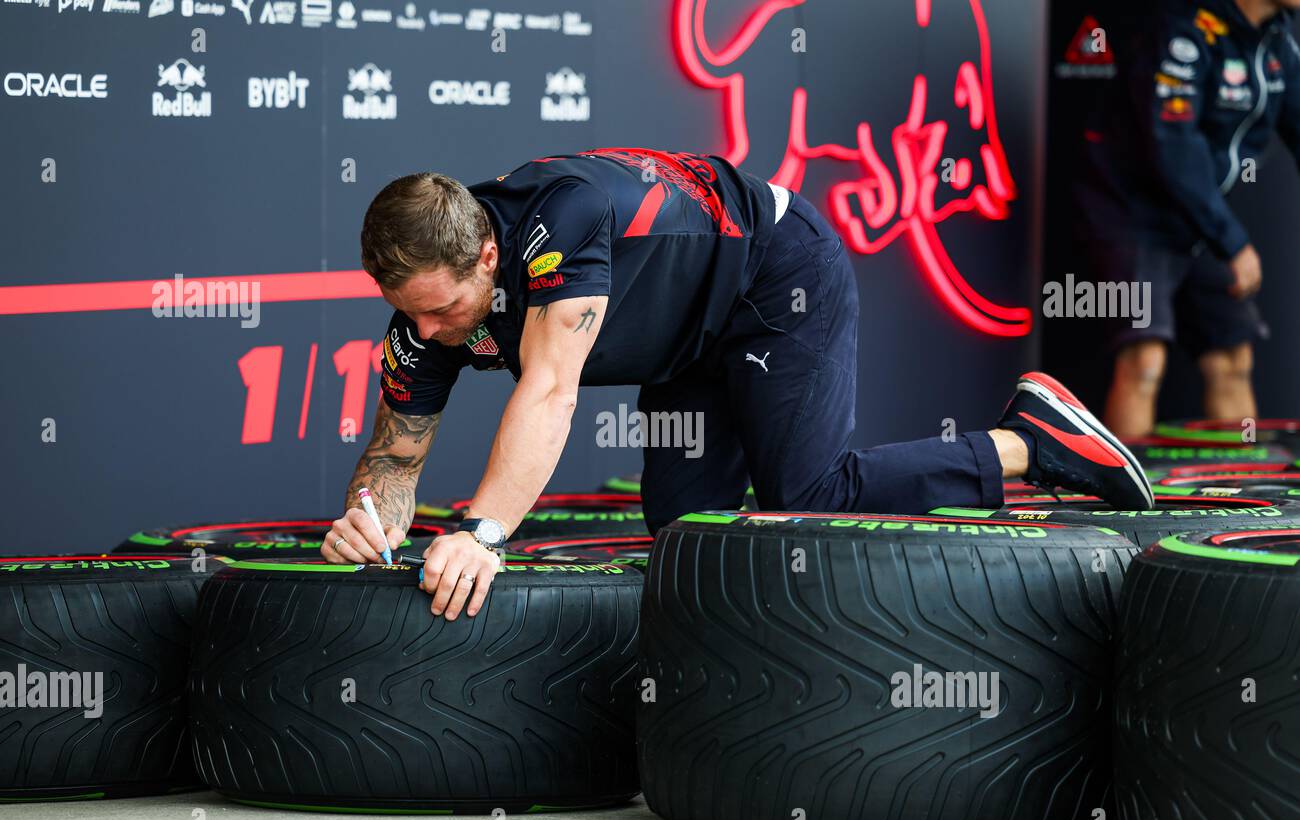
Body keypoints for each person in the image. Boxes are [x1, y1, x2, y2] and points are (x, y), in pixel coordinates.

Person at [325, 147, 1152, 619]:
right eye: (409, 315)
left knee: (809, 491)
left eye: (442, 309)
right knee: (689, 537)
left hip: (775, 272)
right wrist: (369, 524)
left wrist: (484, 533)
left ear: (488, 257)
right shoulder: (425, 315)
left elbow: (550, 392)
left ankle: (1029, 440)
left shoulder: (559, 224)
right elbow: (395, 458)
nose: (427, 333)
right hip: (685, 345)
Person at [1076, 0, 1300, 437]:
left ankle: (1241, 494)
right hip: (1133, 215)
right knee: (1144, 361)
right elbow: (1173, 149)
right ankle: (1126, 499)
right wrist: (1232, 243)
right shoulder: (1182, 30)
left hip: (1199, 218)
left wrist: (1222, 236)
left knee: (1232, 358)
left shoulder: (1277, 41)